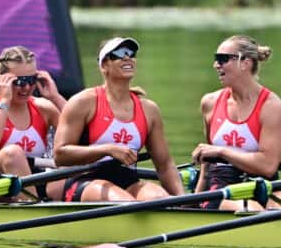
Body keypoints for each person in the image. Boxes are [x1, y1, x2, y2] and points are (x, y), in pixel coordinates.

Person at [189, 35, 281, 211]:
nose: (216, 65)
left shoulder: (272, 107)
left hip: (262, 187)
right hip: (220, 190)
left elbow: (268, 167)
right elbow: (207, 162)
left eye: (223, 59)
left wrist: (222, 151)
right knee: (252, 208)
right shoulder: (210, 102)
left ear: (245, 63)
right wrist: (195, 200)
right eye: (216, 59)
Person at [50, 37, 182, 202]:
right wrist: (107, 149)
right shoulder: (83, 102)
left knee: (159, 198)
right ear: (104, 65)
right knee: (124, 202)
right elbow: (60, 155)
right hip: (85, 180)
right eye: (119, 54)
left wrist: (183, 201)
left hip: (127, 179)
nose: (127, 58)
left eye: (131, 53)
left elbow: (164, 165)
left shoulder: (149, 109)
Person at [0, 45, 65, 192]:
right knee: (13, 153)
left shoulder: (44, 108)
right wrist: (5, 101)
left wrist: (55, 97)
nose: (26, 87)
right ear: (3, 81)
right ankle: (34, 207)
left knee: (69, 158)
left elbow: (83, 138)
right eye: (19, 81)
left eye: (31, 79)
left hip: (38, 184)